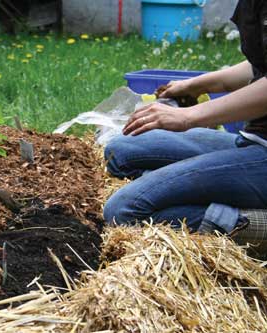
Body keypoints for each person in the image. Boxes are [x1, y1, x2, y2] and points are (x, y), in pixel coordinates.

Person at [102, 0, 267, 255]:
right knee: (121, 151)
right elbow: (259, 64)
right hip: (254, 140)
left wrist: (189, 116)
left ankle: (251, 224)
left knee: (123, 211)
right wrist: (195, 85)